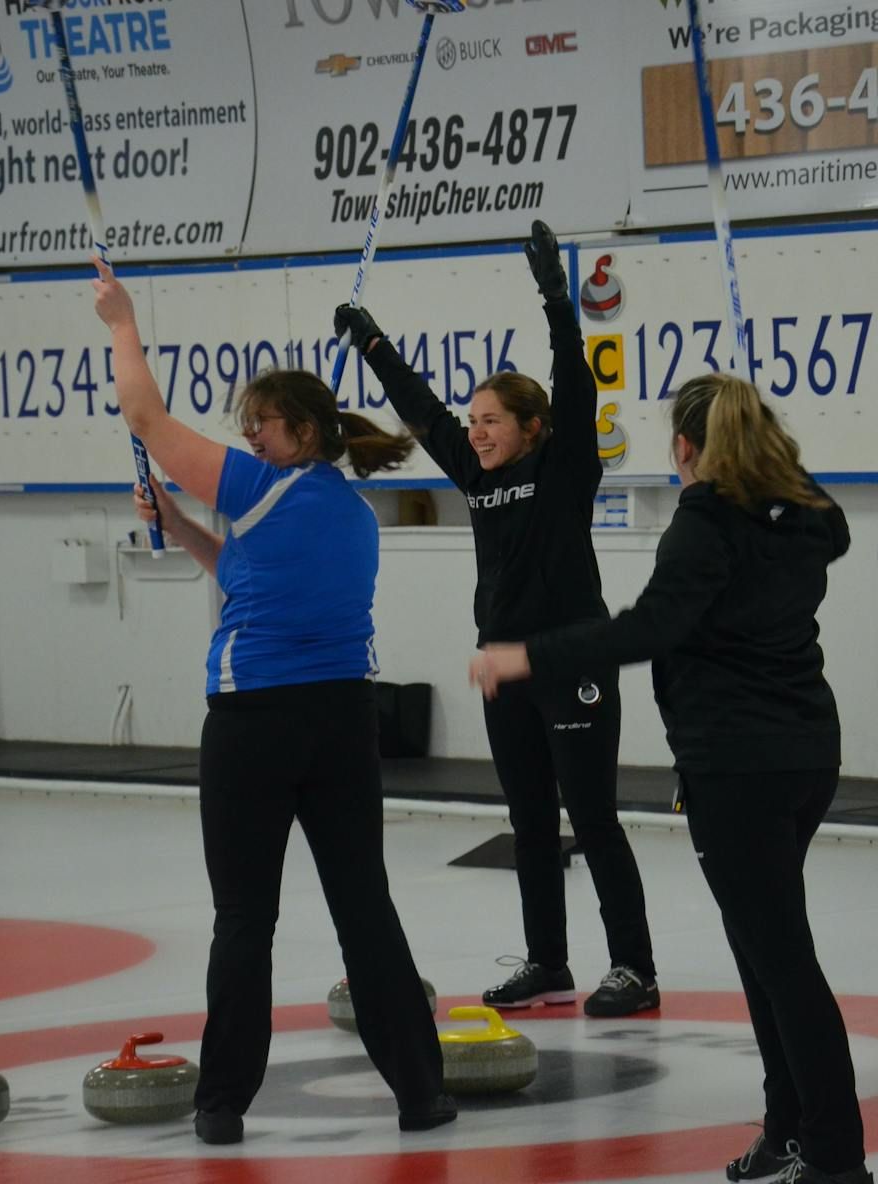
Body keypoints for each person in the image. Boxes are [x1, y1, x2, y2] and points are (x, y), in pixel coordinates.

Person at [90, 256, 456, 1145]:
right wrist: (180, 528)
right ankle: (420, 1091)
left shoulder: (260, 489)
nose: (248, 440)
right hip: (341, 725)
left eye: (259, 427)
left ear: (299, 430)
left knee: (244, 919)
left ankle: (221, 1103)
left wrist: (121, 323)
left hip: (254, 728)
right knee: (362, 904)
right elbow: (252, 582)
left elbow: (144, 413)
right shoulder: (350, 513)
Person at [472, 373, 867, 1184]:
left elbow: (648, 629)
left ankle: (832, 1159)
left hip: (736, 765)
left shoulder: (704, 523)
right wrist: (775, 454)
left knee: (782, 964)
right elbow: (829, 524)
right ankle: (789, 1130)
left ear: (686, 449)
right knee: (765, 952)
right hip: (804, 758)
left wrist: (528, 654)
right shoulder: (805, 518)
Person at [333, 221, 658, 1018]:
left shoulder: (563, 465)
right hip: (500, 666)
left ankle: (634, 968)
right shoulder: (475, 477)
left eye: (490, 421)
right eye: (472, 421)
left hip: (571, 662)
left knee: (593, 818)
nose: (474, 431)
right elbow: (417, 402)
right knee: (528, 822)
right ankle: (548, 961)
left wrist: (557, 300)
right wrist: (370, 342)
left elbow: (574, 385)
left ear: (531, 429)